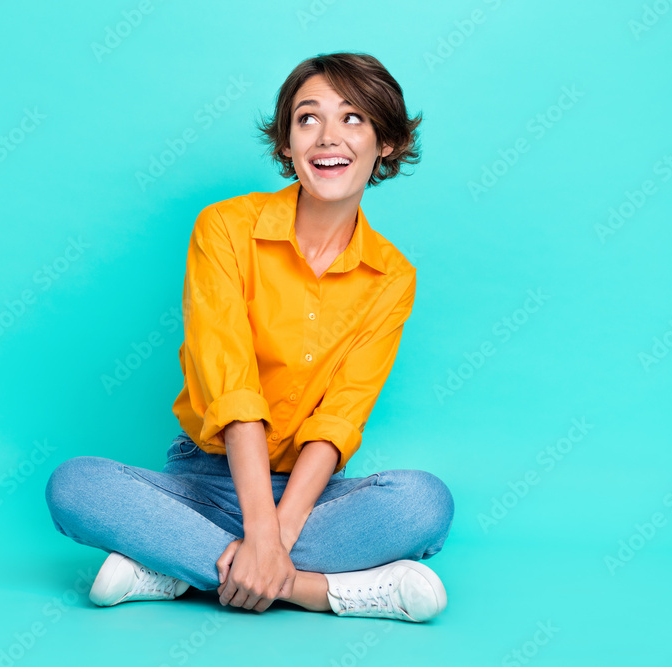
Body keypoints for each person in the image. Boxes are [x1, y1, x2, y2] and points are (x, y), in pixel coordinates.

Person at [45, 51, 455, 623]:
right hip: (205, 480)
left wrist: (276, 534)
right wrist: (259, 533)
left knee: (425, 504)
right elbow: (231, 385)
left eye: (353, 118)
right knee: (74, 486)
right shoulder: (224, 228)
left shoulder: (392, 276)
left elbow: (340, 418)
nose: (327, 137)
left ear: (385, 141)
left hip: (311, 497)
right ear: (286, 143)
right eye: (308, 118)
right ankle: (324, 590)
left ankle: (175, 567)